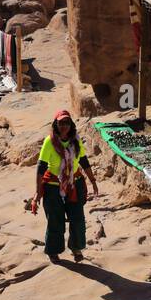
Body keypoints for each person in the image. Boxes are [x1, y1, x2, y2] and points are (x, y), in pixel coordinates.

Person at [31, 110, 99, 264]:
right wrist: (37, 193)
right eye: (61, 123)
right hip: (53, 186)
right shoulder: (50, 142)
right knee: (55, 219)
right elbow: (41, 167)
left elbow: (83, 160)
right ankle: (53, 250)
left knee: (77, 218)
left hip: (74, 184)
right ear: (56, 124)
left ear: (71, 125)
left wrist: (93, 180)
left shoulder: (75, 140)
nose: (64, 126)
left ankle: (76, 248)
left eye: (67, 123)